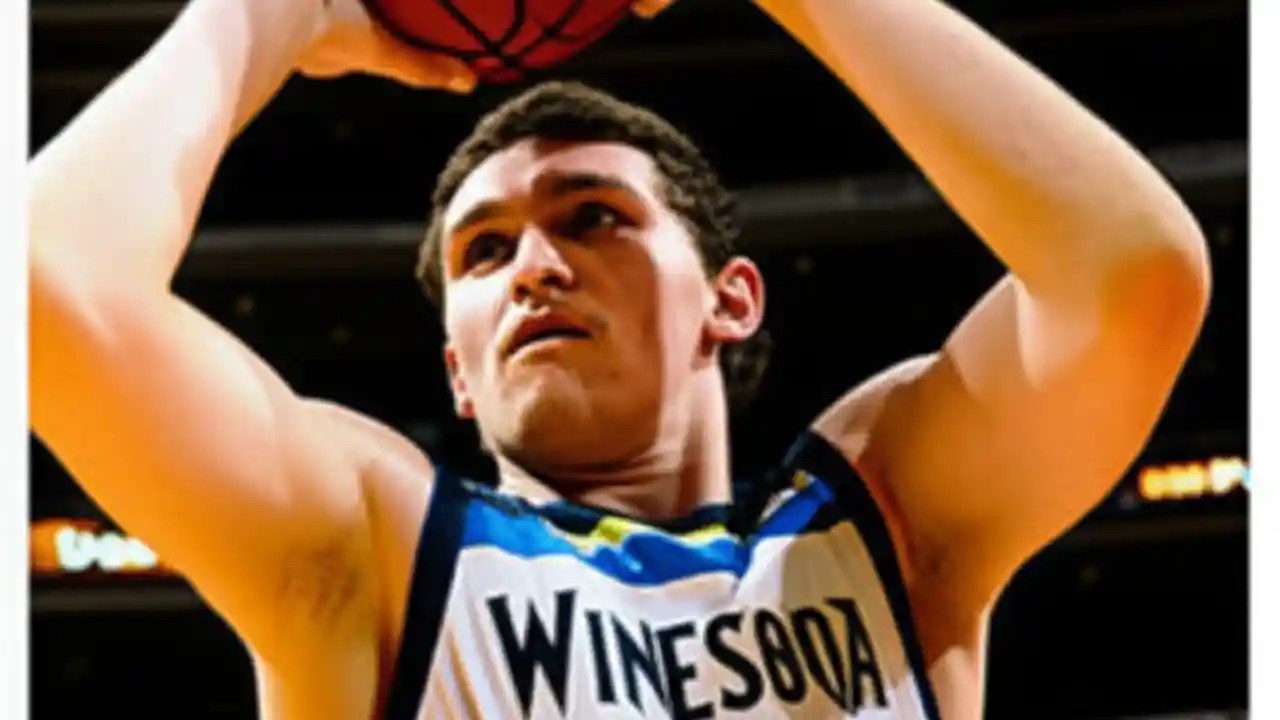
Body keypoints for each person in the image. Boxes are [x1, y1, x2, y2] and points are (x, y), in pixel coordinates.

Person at [28, 0, 1212, 717]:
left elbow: (1130, 279)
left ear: (729, 300)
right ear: (455, 365)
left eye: (592, 216)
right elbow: (42, 290)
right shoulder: (373, 547)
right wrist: (255, 21)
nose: (533, 266)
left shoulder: (882, 518)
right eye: (484, 252)